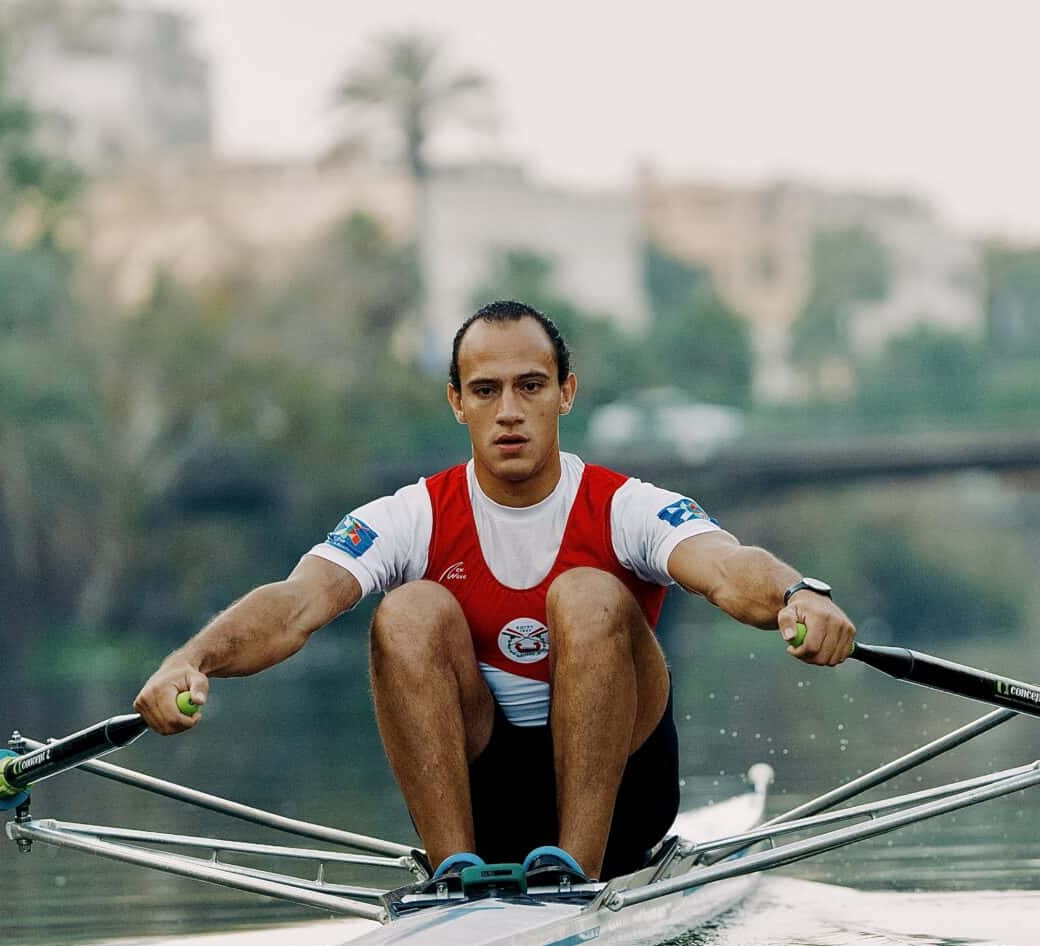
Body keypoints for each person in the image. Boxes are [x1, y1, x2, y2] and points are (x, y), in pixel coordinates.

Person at [133, 299, 855, 884]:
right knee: (407, 611)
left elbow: (727, 569)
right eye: (486, 390)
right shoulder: (411, 516)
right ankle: (455, 872)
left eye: (530, 386)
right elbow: (296, 604)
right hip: (486, 803)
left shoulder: (627, 506)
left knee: (589, 594)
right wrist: (190, 659)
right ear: (458, 402)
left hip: (625, 799)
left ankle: (579, 869)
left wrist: (797, 593)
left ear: (566, 393)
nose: (509, 410)